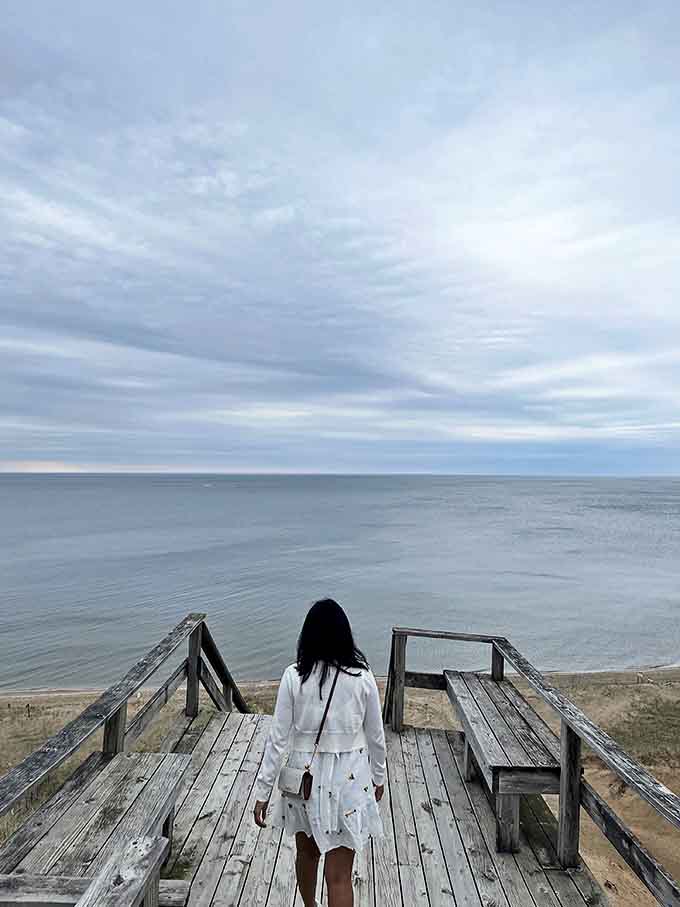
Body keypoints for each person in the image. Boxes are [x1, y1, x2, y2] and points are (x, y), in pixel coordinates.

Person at [253, 598, 386, 907]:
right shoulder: (362, 677)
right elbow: (376, 737)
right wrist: (378, 777)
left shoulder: (293, 676)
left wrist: (262, 792)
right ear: (345, 635)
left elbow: (277, 739)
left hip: (305, 781)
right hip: (349, 780)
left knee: (307, 854)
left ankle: (310, 905)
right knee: (339, 876)